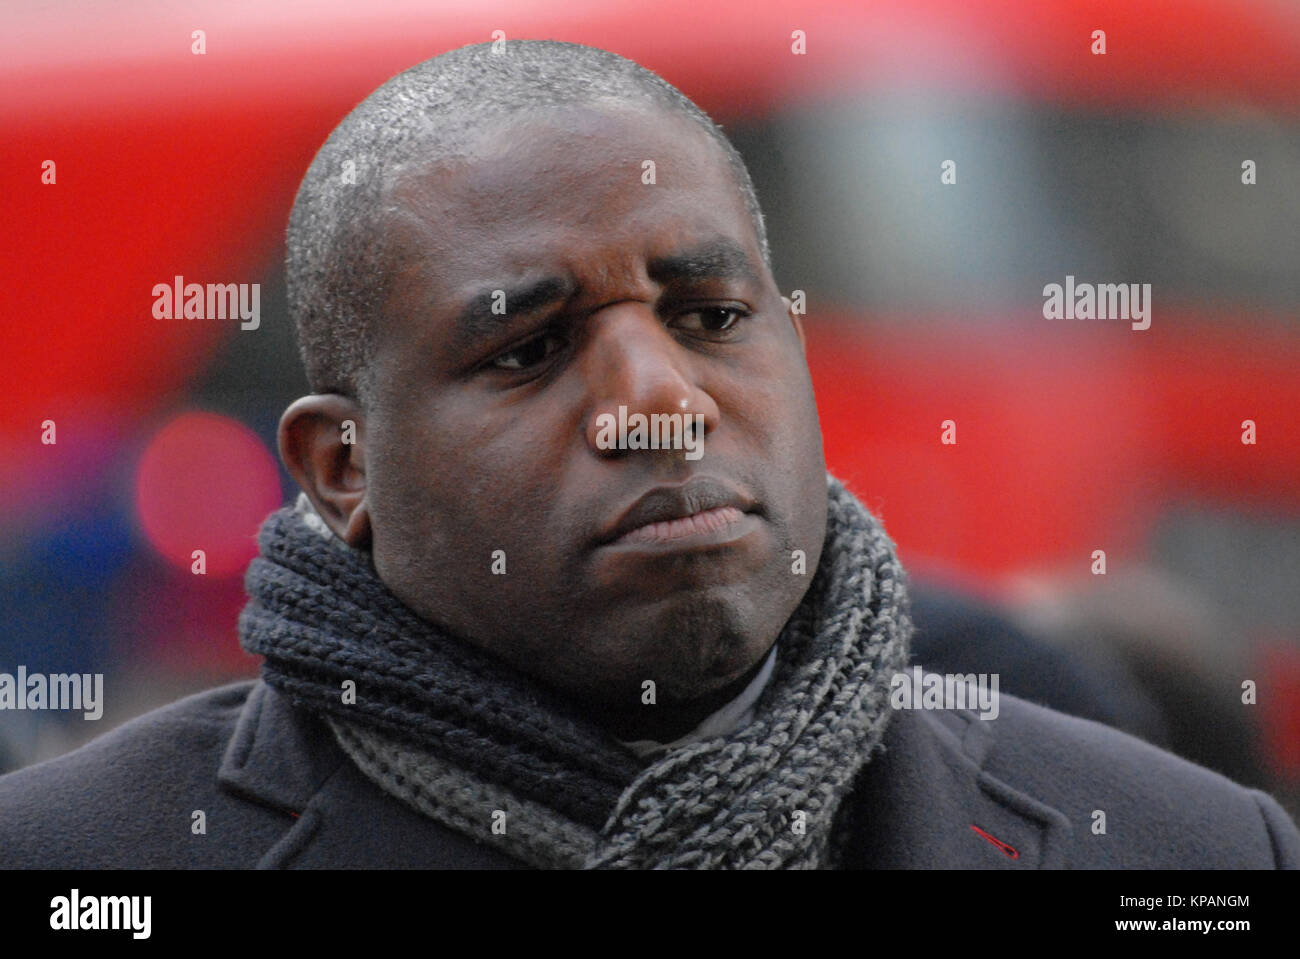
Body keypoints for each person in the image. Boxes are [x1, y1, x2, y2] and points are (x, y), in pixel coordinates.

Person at [1, 40, 1296, 869]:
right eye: (529, 349)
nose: (656, 401)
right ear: (344, 469)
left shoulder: (1195, 854)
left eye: (711, 316)